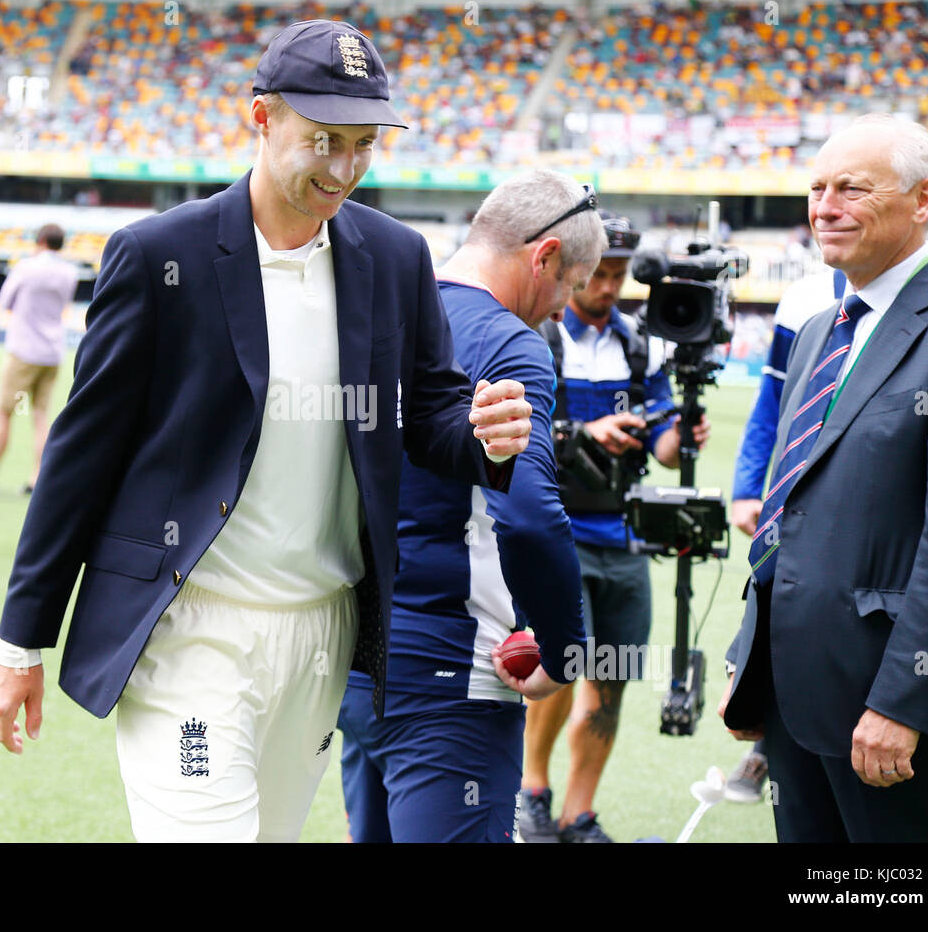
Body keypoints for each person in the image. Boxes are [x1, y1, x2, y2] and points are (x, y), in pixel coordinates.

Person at [0, 19, 533, 843]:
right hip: (188, 628)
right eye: (324, 141)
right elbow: (81, 454)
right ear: (262, 118)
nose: (344, 169)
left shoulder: (395, 257)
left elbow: (433, 415)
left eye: (364, 144)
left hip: (323, 633)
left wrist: (485, 434)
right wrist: (20, 639)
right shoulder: (160, 254)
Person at [720, 113, 928, 842]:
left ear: (923, 199)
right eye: (817, 187)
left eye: (851, 189)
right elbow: (787, 514)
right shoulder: (821, 332)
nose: (824, 207)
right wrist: (750, 661)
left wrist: (904, 702)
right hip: (798, 705)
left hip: (890, 713)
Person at [337, 170, 598, 843]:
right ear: (543, 257)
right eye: (570, 285)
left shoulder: (370, 308)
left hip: (349, 654)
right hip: (451, 668)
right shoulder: (511, 343)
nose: (563, 308)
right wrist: (566, 652)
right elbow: (530, 515)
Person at [515, 212, 710, 843]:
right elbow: (518, 435)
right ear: (574, 269)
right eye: (600, 272)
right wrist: (583, 434)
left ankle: (579, 812)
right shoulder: (540, 338)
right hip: (559, 531)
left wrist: (682, 432)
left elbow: (664, 447)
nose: (610, 285)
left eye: (620, 273)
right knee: (560, 669)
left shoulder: (639, 345)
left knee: (614, 676)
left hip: (624, 536)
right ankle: (532, 794)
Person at [725, 264, 846, 802]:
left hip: (864, 494)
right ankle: (766, 744)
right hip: (792, 493)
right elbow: (772, 401)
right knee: (776, 602)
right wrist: (750, 486)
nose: (828, 208)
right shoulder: (803, 298)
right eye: (819, 189)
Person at [0, 223, 79, 494]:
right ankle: (37, 479)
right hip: (52, 352)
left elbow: (4, 302)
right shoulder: (70, 272)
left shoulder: (26, 267)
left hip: (24, 350)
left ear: (41, 240)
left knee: (3, 413)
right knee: (40, 415)